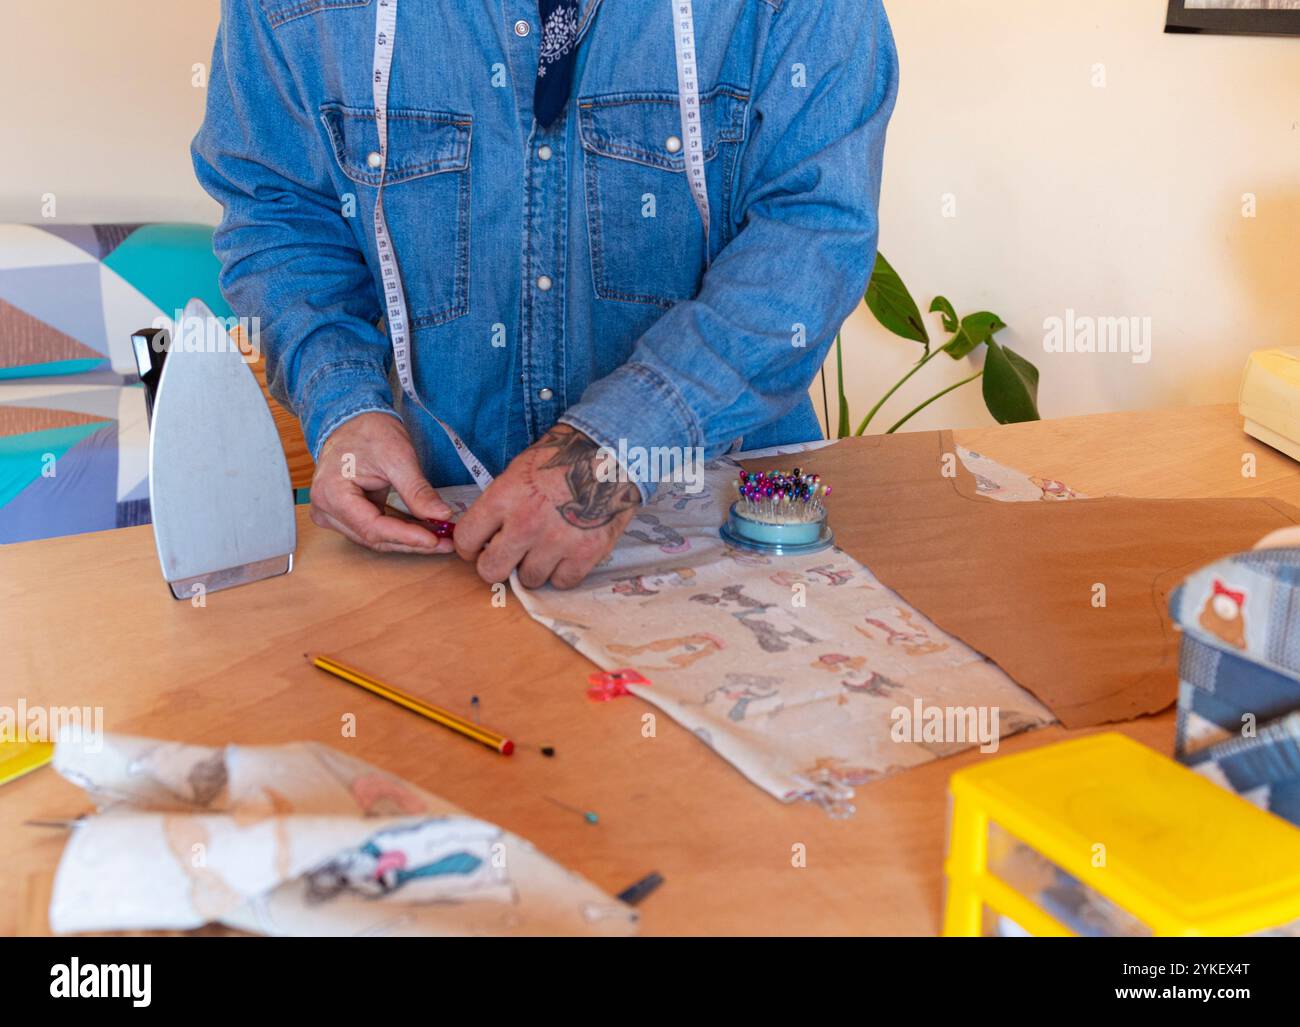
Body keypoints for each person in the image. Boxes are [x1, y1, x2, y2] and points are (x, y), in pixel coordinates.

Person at [192, 0, 898, 589]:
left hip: (732, 537)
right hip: (440, 558)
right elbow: (277, 209)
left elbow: (814, 225)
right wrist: (342, 400)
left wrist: (623, 445)